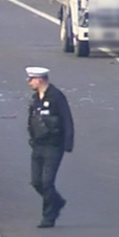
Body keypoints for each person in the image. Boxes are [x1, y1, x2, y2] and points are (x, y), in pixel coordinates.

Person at [26, 66, 74, 228]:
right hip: (38, 145)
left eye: (31, 79)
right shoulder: (35, 98)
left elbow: (67, 119)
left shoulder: (56, 97)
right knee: (36, 182)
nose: (29, 82)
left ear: (40, 80)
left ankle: (49, 216)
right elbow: (31, 120)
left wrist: (68, 143)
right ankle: (57, 201)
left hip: (53, 145)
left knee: (47, 182)